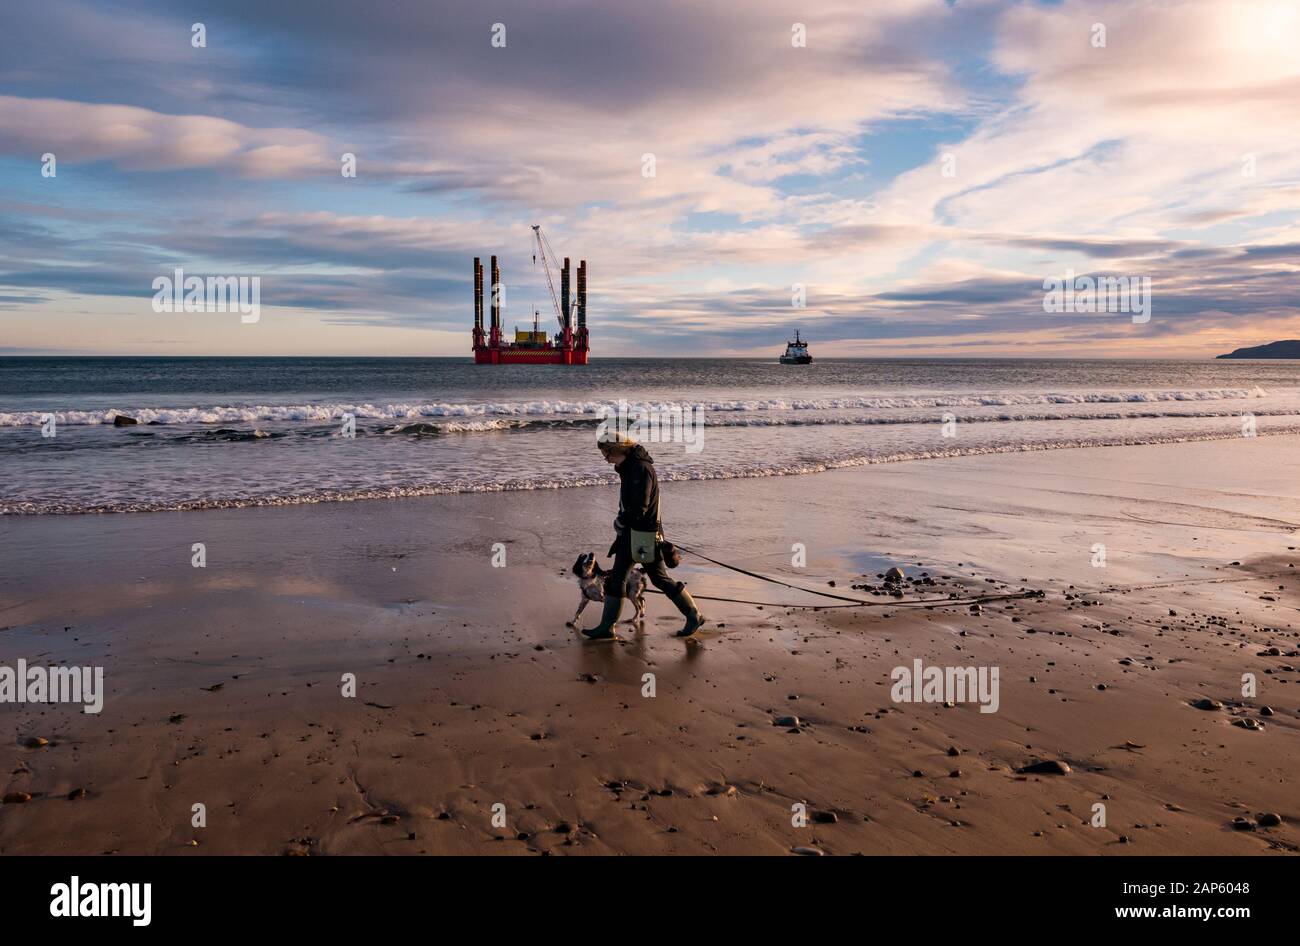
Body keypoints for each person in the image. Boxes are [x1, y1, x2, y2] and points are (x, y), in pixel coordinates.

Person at [581, 432, 706, 640]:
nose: (605, 458)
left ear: (616, 449)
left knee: (659, 579)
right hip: (632, 535)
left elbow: (640, 508)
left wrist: (620, 521)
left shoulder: (640, 469)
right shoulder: (630, 467)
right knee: (617, 580)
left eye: (605, 453)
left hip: (644, 537)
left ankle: (694, 615)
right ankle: (606, 627)